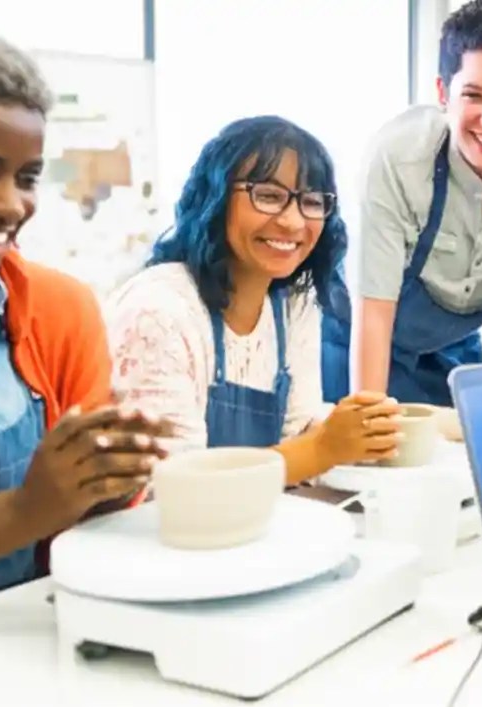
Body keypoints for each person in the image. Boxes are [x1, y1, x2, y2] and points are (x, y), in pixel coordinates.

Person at [0, 17, 171, 624]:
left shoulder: (58, 311)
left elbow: (89, 538)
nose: (10, 203)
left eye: (26, 177)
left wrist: (109, 485)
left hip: (26, 653)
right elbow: (33, 513)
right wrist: (24, 511)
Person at [106, 117, 402, 487]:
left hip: (253, 528)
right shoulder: (158, 312)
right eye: (268, 196)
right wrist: (324, 447)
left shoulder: (293, 303)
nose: (293, 222)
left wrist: (369, 430)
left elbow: (297, 434)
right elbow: (173, 487)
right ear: (214, 196)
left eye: (311, 202)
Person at [320, 0, 482, 407]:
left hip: (451, 351)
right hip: (353, 339)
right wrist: (367, 429)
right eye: (474, 95)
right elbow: (374, 311)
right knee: (367, 460)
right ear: (444, 92)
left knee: (472, 452)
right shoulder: (397, 158)